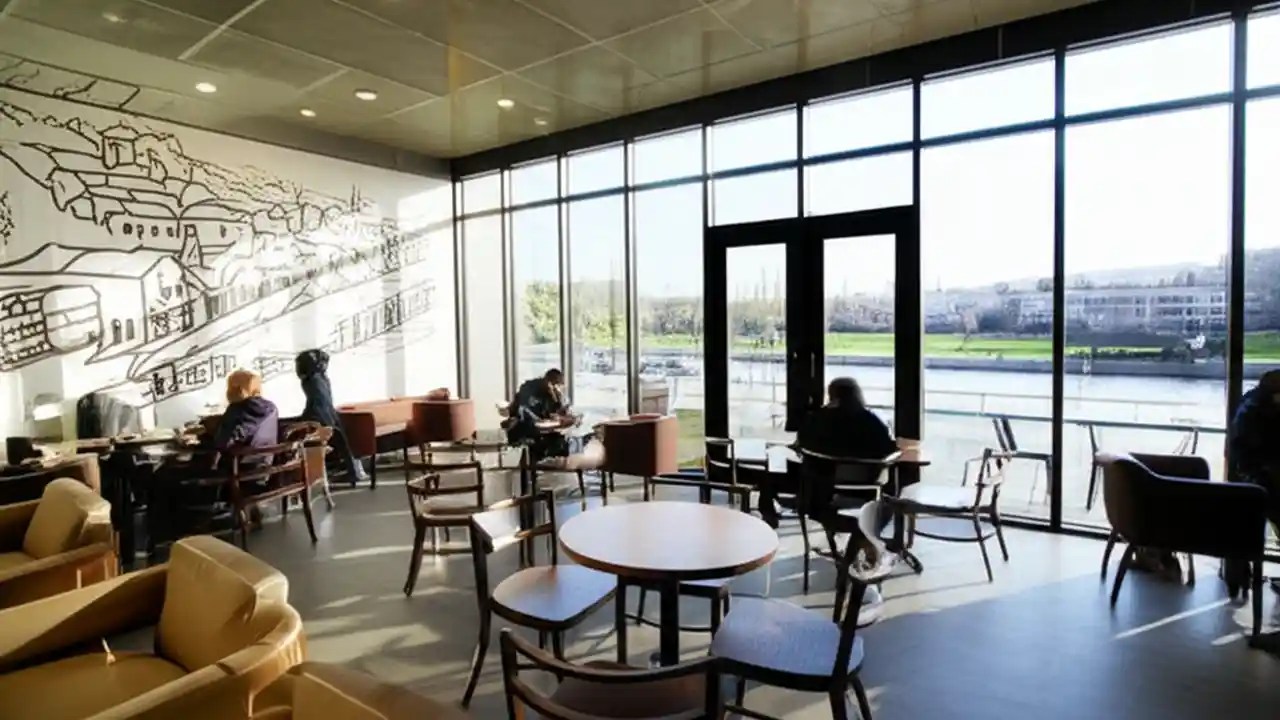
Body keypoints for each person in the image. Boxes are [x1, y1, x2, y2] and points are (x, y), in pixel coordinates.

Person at [758, 376, 898, 528]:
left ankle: (769, 518)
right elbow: (887, 449)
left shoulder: (819, 419)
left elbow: (802, 445)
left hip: (817, 488)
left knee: (768, 477)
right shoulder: (873, 421)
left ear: (832, 395)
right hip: (865, 489)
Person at [1225, 369, 1280, 594]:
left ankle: (1238, 574)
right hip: (1264, 480)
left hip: (1247, 479)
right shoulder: (1265, 413)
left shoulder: (1248, 404)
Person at [292, 349, 369, 483]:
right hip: (329, 415)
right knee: (344, 445)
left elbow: (317, 403)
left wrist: (304, 420)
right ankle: (355, 472)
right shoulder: (321, 377)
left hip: (321, 417)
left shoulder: (312, 380)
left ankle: (307, 477)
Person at [506, 368, 576, 463]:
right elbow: (526, 413)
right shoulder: (529, 389)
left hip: (542, 430)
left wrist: (561, 408)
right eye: (554, 385)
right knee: (543, 443)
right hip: (523, 427)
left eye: (559, 386)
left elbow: (556, 412)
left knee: (563, 442)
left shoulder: (552, 394)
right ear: (547, 380)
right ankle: (532, 468)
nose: (556, 388)